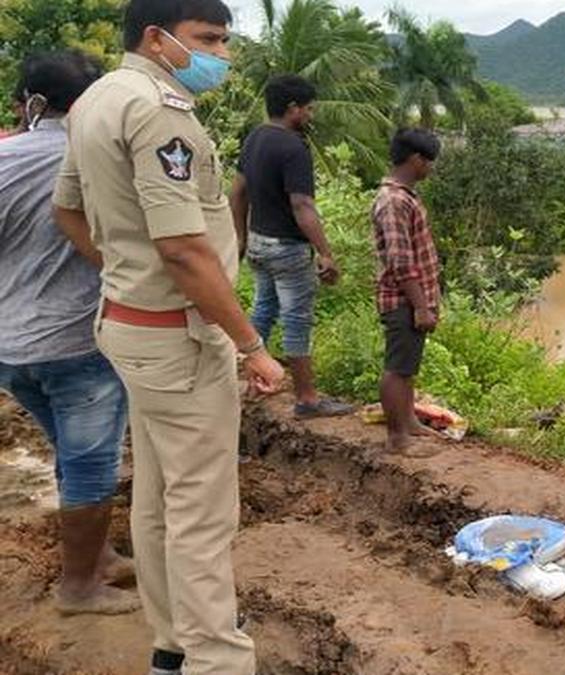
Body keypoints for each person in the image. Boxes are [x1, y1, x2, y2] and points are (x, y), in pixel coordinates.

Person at [52, 1, 285, 673]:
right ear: (157, 38)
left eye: (225, 41)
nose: (221, 55)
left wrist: (127, 273)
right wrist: (251, 345)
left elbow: (67, 211)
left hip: (131, 327)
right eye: (207, 39)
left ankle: (174, 643)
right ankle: (217, 659)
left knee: (158, 498)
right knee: (203, 515)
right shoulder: (160, 111)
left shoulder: (96, 100)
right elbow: (183, 248)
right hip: (178, 340)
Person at [0, 50, 140, 617]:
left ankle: (99, 557)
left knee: (69, 448)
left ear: (31, 103)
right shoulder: (99, 159)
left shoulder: (4, 158)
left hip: (11, 345)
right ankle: (79, 587)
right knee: (91, 464)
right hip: (76, 343)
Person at [231, 74, 352, 419]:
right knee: (297, 320)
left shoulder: (255, 138)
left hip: (258, 242)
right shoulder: (293, 148)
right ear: (292, 108)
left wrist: (241, 237)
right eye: (309, 109)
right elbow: (302, 205)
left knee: (263, 310)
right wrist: (325, 253)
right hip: (287, 248)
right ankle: (307, 398)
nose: (311, 115)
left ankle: (252, 381)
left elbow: (237, 192)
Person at [372, 128, 443, 456]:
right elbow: (400, 261)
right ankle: (397, 438)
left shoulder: (404, 197)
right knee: (397, 368)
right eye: (429, 161)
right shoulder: (394, 201)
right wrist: (421, 306)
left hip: (413, 298)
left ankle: (409, 422)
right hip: (402, 299)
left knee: (408, 364)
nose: (431, 168)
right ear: (416, 160)